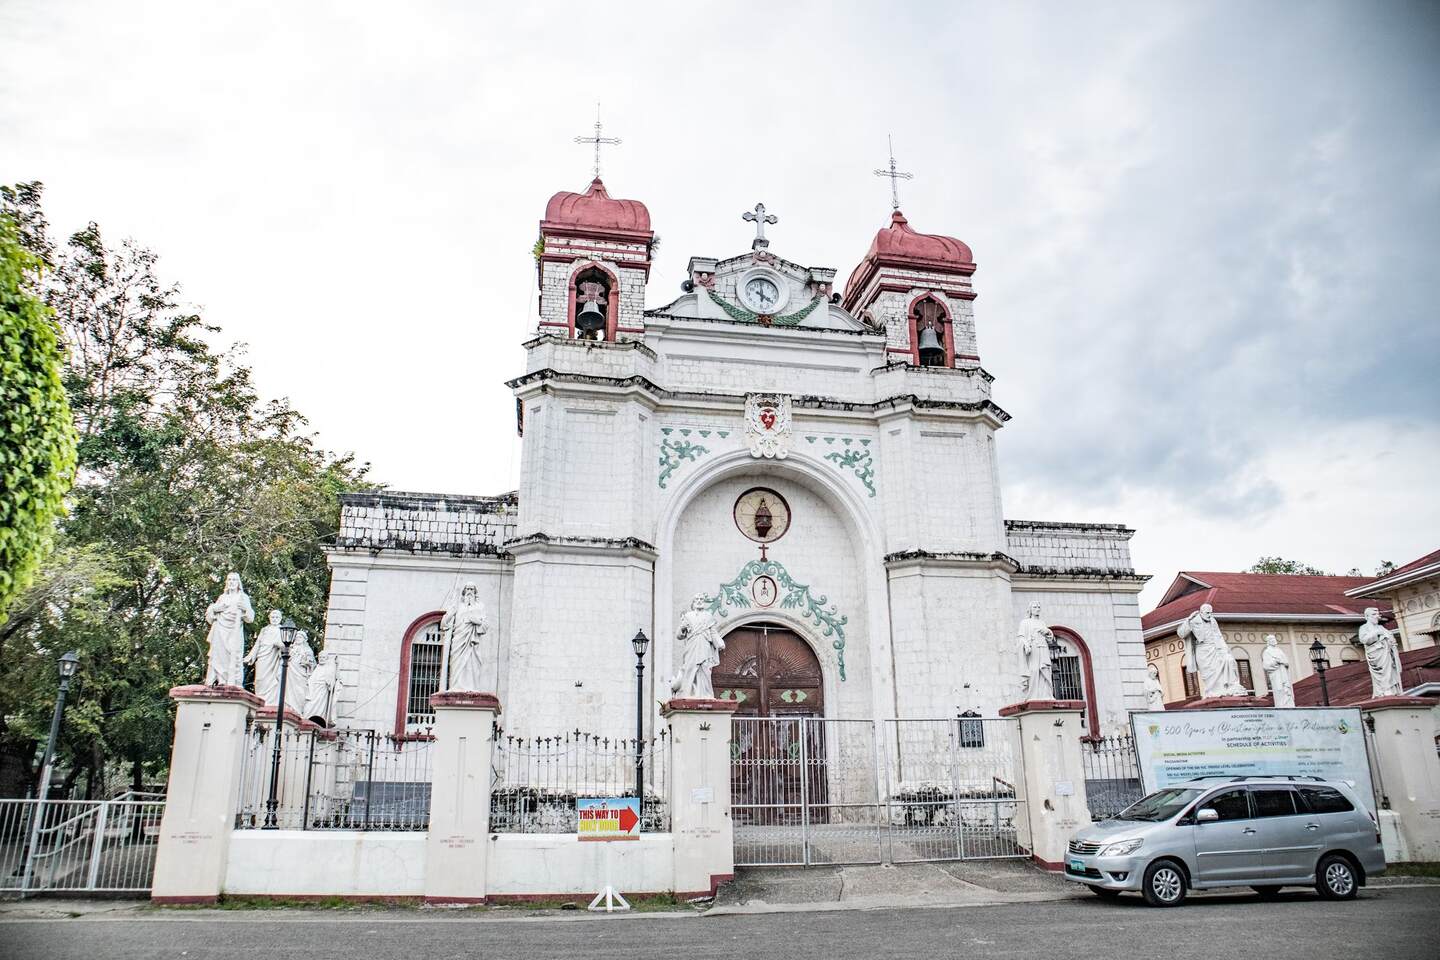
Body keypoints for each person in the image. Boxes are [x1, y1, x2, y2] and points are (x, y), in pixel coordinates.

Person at [1177, 603, 1246, 697]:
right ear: (1201, 612)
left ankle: (1229, 687)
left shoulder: (1213, 621)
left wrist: (1224, 648)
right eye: (1207, 613)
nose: (1209, 615)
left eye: (1211, 613)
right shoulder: (1194, 621)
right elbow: (1181, 633)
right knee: (1210, 674)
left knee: (1228, 660)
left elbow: (1219, 636)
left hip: (1215, 648)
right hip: (1203, 651)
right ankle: (1213, 692)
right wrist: (1188, 620)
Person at [204, 572, 254, 686]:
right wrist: (216, 609)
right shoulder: (222, 597)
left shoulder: (242, 597)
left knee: (234, 654)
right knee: (219, 655)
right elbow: (210, 615)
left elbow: (250, 618)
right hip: (220, 630)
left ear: (238, 583)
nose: (231, 582)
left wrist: (245, 609)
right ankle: (221, 680)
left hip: (234, 631)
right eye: (229, 580)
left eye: (234, 580)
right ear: (227, 582)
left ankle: (233, 681)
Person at [670, 595, 725, 699]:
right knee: (690, 668)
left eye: (701, 599)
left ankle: (706, 694)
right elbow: (679, 636)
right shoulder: (688, 616)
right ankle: (688, 692)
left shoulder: (709, 616)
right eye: (697, 599)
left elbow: (713, 632)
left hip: (704, 644)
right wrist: (682, 628)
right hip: (692, 644)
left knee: (704, 668)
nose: (699, 601)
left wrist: (719, 643)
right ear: (693, 602)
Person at [441, 582, 488, 692]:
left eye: (472, 589)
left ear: (475, 592)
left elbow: (485, 625)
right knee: (457, 664)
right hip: (459, 639)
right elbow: (445, 622)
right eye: (467, 589)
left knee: (472, 663)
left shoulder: (480, 607)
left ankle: (472, 687)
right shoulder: (458, 606)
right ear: (464, 591)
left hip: (473, 641)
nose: (470, 592)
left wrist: (475, 621)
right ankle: (456, 687)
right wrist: (449, 615)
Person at [1357, 607, 1403, 699]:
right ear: (1367, 617)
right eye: (1374, 614)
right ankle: (1384, 690)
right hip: (1376, 655)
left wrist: (1391, 641)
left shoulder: (1381, 627)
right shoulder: (1364, 628)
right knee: (1382, 673)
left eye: (1377, 614)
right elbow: (1364, 640)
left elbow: (1391, 638)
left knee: (1390, 670)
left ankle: (1392, 689)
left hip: (1387, 653)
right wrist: (1376, 633)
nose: (1377, 617)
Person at [242, 609, 285, 704]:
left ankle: (270, 702)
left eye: (277, 617)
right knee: (259, 679)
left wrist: (279, 645)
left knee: (272, 680)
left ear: (280, 618)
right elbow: (257, 644)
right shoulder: (265, 630)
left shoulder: (282, 630)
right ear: (269, 618)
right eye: (273, 617)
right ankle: (260, 700)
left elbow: (285, 647)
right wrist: (251, 656)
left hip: (274, 658)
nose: (274, 619)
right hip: (262, 656)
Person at [1016, 602, 1055, 701]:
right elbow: (1020, 636)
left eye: (1038, 607)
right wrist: (1025, 644)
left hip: (1043, 647)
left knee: (1045, 669)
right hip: (1033, 648)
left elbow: (1050, 638)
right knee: (1034, 670)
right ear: (1030, 609)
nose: (1037, 609)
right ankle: (1032, 695)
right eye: (1035, 607)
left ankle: (1047, 694)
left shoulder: (1042, 622)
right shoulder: (1025, 622)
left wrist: (1048, 632)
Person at [303, 649, 343, 726]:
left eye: (323, 657)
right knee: (308, 707)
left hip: (322, 692)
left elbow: (335, 679)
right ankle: (306, 720)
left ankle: (317, 722)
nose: (321, 659)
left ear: (327, 659)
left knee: (319, 709)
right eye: (320, 657)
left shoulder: (329, 669)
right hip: (313, 690)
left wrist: (337, 665)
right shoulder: (317, 667)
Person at [286, 631, 316, 716]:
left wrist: (306, 663)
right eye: (296, 637)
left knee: (300, 691)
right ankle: (289, 707)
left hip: (300, 674)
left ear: (304, 639)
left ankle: (298, 710)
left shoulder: (307, 650)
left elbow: (312, 663)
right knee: (288, 689)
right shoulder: (291, 648)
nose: (298, 639)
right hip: (290, 672)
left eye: (300, 637)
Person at [1261, 634, 1295, 708]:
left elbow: (1286, 662)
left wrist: (1283, 662)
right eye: (1271, 639)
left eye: (1274, 639)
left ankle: (1288, 704)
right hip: (1276, 675)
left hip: (1284, 674)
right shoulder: (1267, 652)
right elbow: (1266, 666)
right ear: (1268, 642)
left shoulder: (1280, 651)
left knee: (1286, 690)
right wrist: (1276, 662)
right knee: (1279, 691)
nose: (1274, 640)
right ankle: (1281, 705)